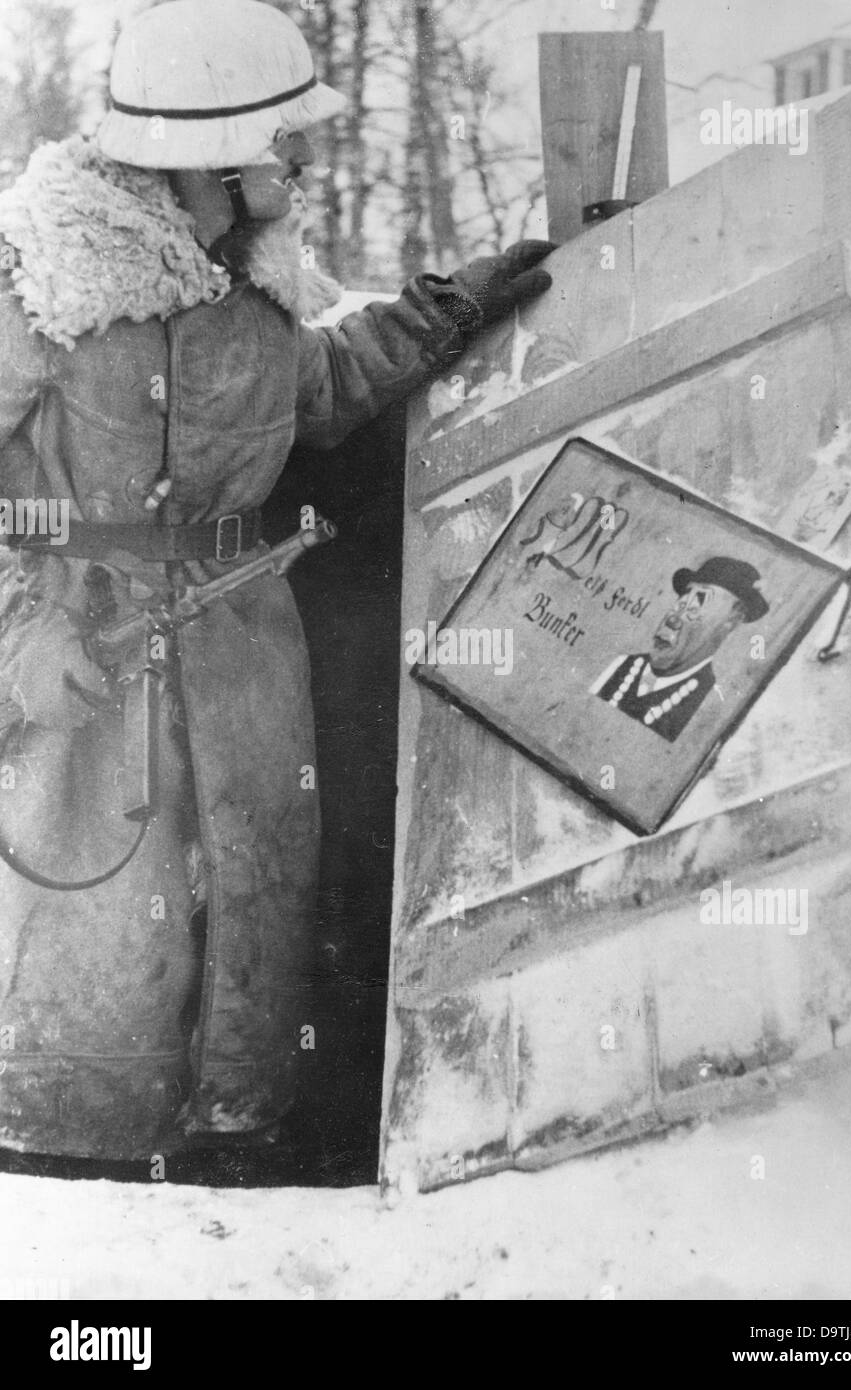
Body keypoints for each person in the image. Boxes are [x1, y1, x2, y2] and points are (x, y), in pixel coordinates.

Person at [0, 0, 553, 1162]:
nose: (293, 161)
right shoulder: (34, 287)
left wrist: (442, 315)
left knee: (258, 892)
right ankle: (66, 1157)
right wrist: (21, 631)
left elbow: (323, 387)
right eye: (276, 142)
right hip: (84, 654)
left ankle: (236, 1144)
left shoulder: (253, 284)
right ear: (208, 160)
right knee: (96, 931)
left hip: (243, 639)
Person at [590, 557, 769, 743]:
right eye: (682, 600)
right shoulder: (623, 665)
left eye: (698, 602)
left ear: (732, 618)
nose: (675, 616)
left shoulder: (706, 702)